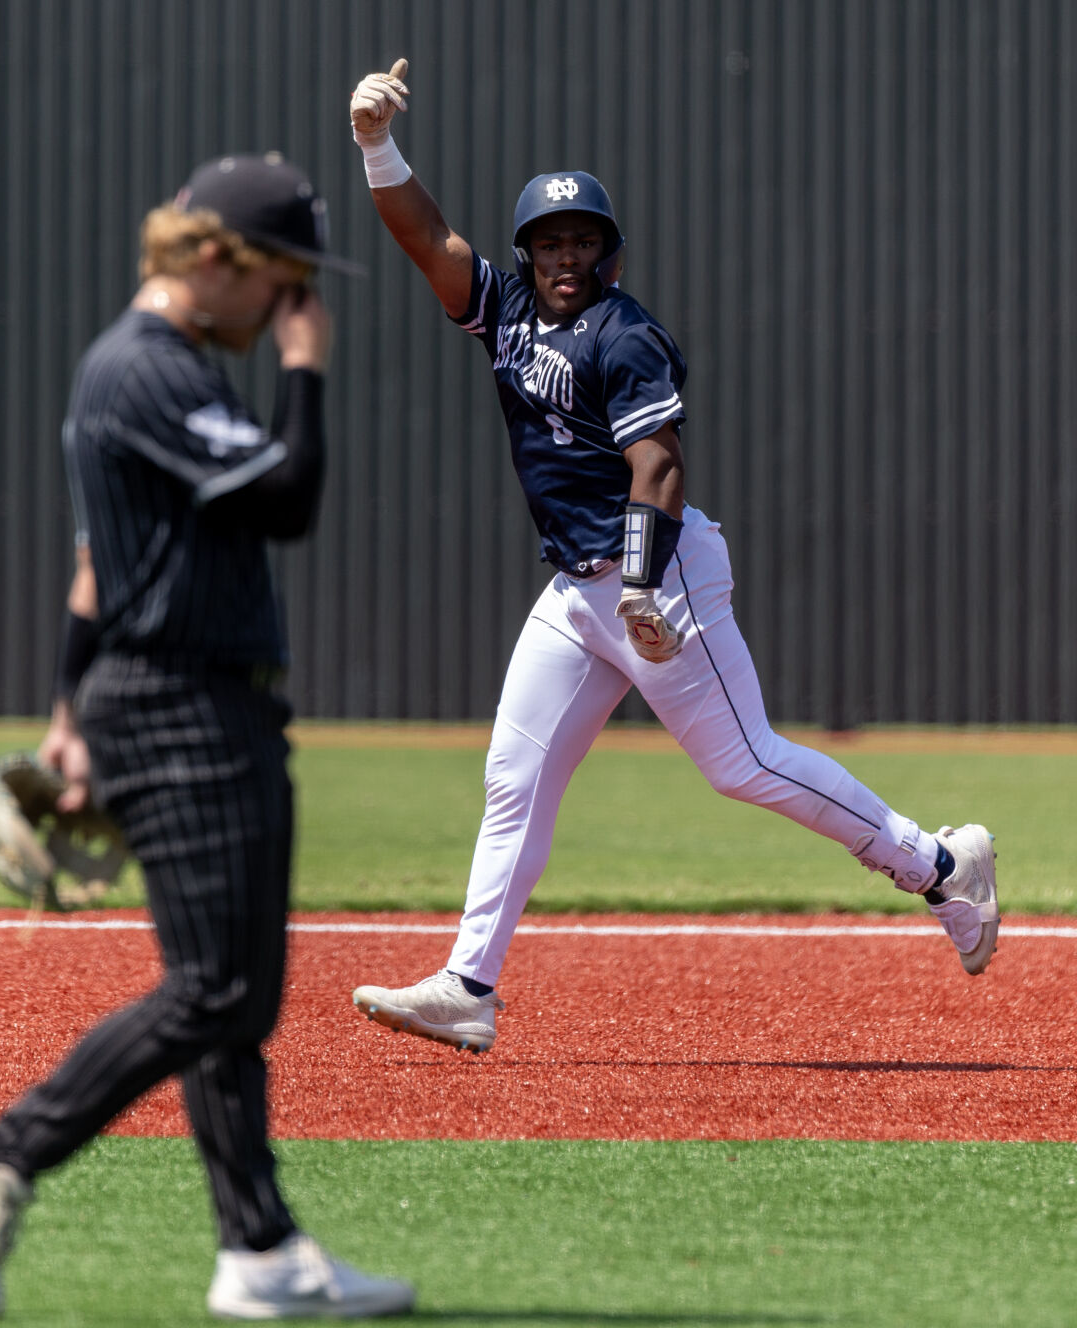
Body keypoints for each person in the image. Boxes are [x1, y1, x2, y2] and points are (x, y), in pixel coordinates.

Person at [344, 61, 1000, 1056]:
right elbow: (425, 238)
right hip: (577, 587)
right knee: (514, 777)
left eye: (584, 241)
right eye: (550, 241)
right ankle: (469, 984)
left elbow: (660, 466)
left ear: (609, 254)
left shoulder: (626, 334)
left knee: (744, 763)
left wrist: (644, 589)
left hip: (661, 571)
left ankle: (942, 864)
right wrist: (375, 142)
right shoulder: (509, 314)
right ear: (528, 253)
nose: (567, 255)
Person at [0, 152, 415, 1320]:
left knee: (227, 995)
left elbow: (99, 565)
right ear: (217, 259)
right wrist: (307, 368)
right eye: (286, 279)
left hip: (167, 693)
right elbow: (289, 498)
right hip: (186, 701)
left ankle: (263, 1252)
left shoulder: (154, 368)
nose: (296, 304)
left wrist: (68, 714)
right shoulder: (144, 369)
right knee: (222, 986)